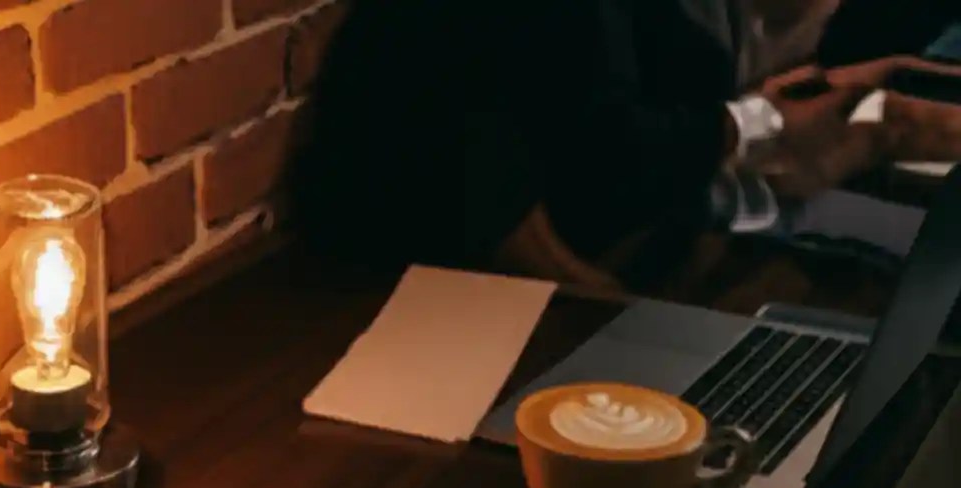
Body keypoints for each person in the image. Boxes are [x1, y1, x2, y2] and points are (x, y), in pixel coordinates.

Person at [290, 0, 961, 280]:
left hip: (673, 221)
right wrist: (754, 127)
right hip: (485, 309)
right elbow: (603, 163)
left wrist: (771, 114)